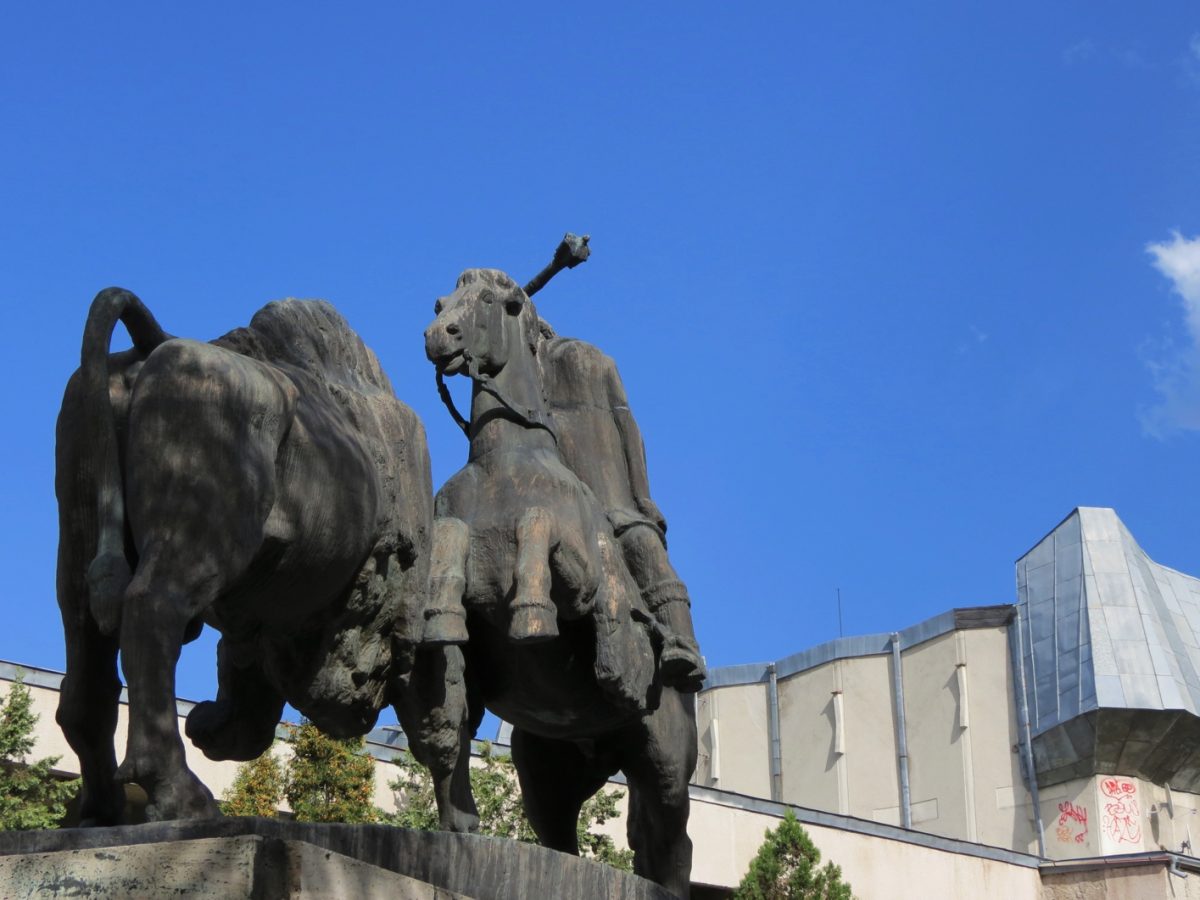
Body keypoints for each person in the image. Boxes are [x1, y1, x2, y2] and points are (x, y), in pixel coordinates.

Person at [537, 318, 706, 692]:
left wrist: (642, 497)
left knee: (645, 549)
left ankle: (682, 645)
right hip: (556, 506)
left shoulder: (588, 361)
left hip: (610, 503)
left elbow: (629, 430)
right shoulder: (512, 381)